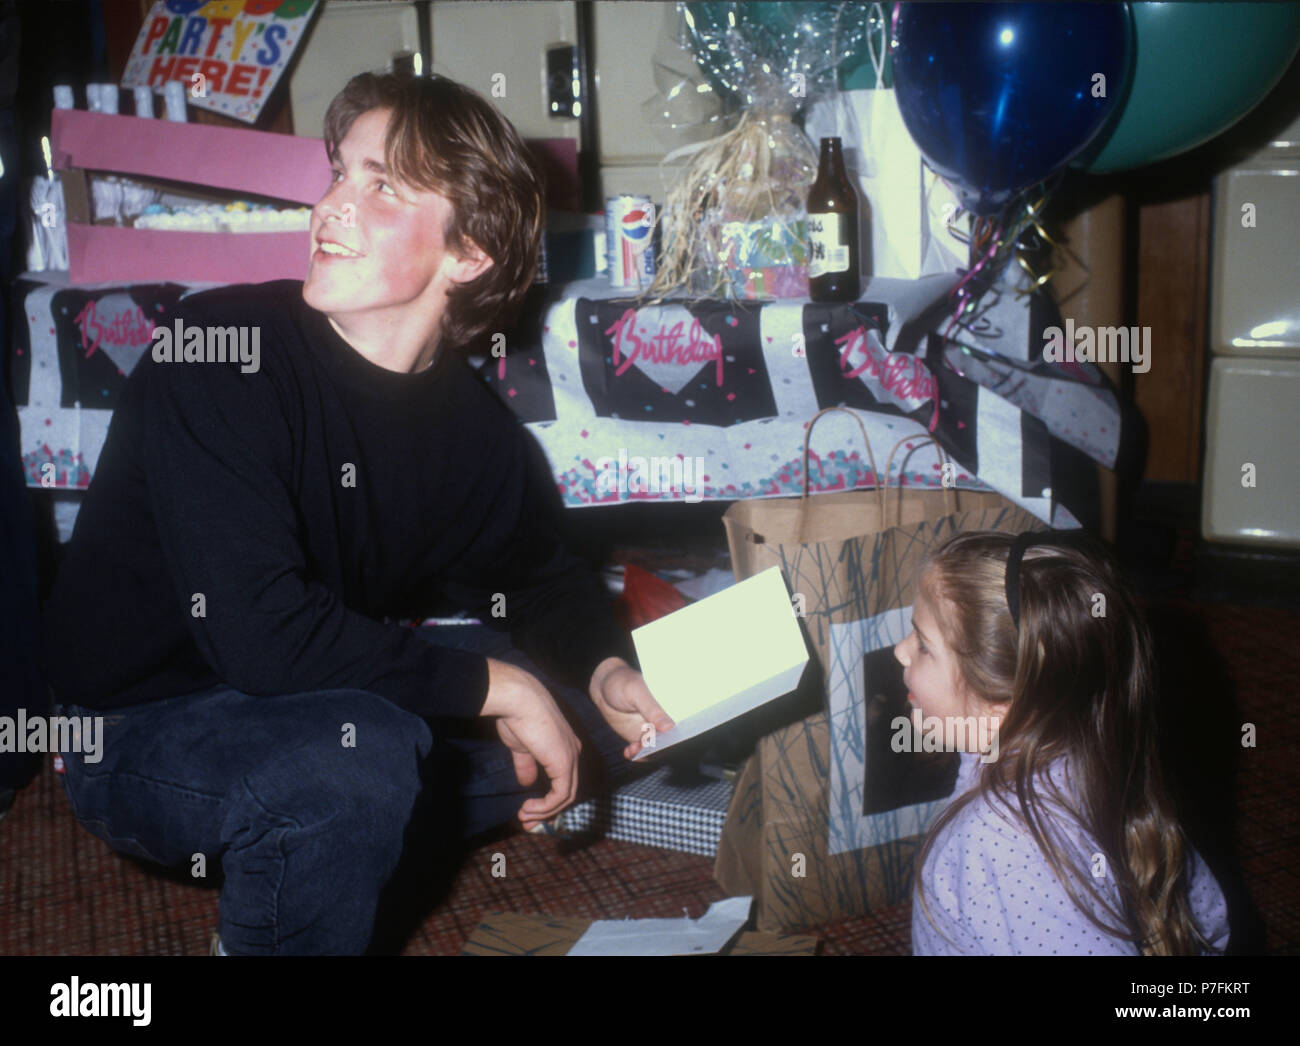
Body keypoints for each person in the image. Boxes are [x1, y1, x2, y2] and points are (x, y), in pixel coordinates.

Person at [41, 72, 672, 955]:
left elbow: (541, 580)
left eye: (380, 186)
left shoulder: (471, 428)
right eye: (340, 173)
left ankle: (353, 835)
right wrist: (500, 690)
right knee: (360, 759)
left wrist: (604, 670)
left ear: (470, 252)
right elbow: (258, 633)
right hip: (145, 722)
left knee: (633, 705)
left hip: (312, 676)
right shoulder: (216, 352)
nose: (330, 206)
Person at [895, 529, 1230, 955]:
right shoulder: (1092, 756)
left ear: (1001, 704)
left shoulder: (1002, 844)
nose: (900, 652)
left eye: (923, 645)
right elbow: (1209, 918)